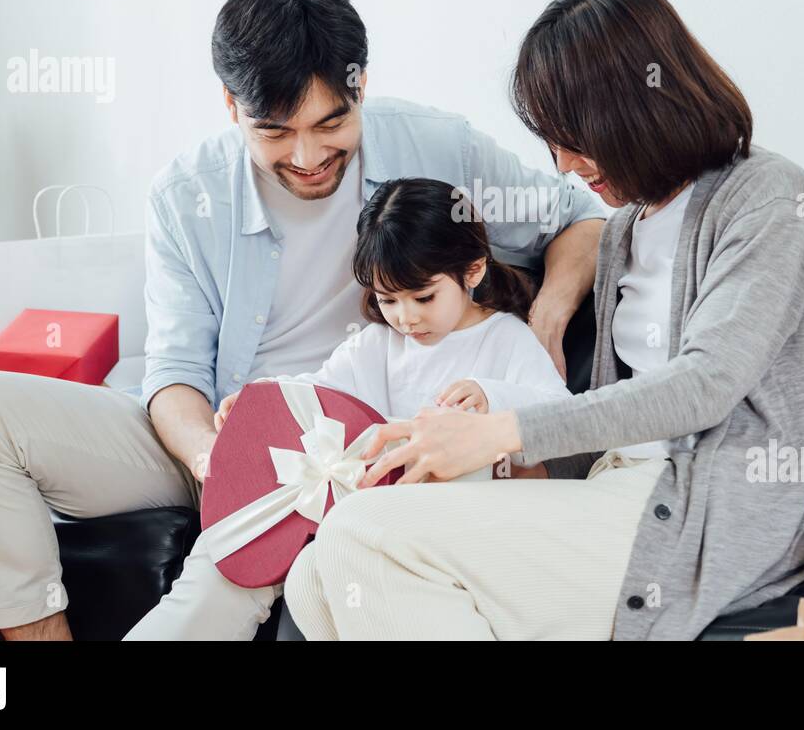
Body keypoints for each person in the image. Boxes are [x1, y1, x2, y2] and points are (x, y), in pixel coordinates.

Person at [0, 0, 605, 640]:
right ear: (230, 106)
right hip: (211, 432)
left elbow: (582, 216)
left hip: (342, 459)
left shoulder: (435, 146)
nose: (308, 155)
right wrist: (215, 457)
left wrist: (546, 319)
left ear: (360, 86)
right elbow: (177, 373)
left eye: (331, 123)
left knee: (226, 577)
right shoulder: (187, 194)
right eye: (276, 132)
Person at [282, 0, 804, 640]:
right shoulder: (628, 225)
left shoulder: (768, 196)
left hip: (697, 514)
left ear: (641, 109)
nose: (567, 166)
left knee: (356, 540)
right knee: (312, 578)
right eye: (554, 144)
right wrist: (479, 447)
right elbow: (607, 431)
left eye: (577, 139)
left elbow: (705, 384)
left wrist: (505, 430)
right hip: (614, 488)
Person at [124, 177, 569, 639]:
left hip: (433, 526)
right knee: (229, 550)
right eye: (388, 299)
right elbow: (321, 392)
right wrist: (264, 399)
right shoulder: (377, 343)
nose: (406, 317)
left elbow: (563, 413)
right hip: (346, 512)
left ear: (473, 271)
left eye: (423, 298)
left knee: (325, 565)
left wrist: (493, 397)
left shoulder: (507, 340)